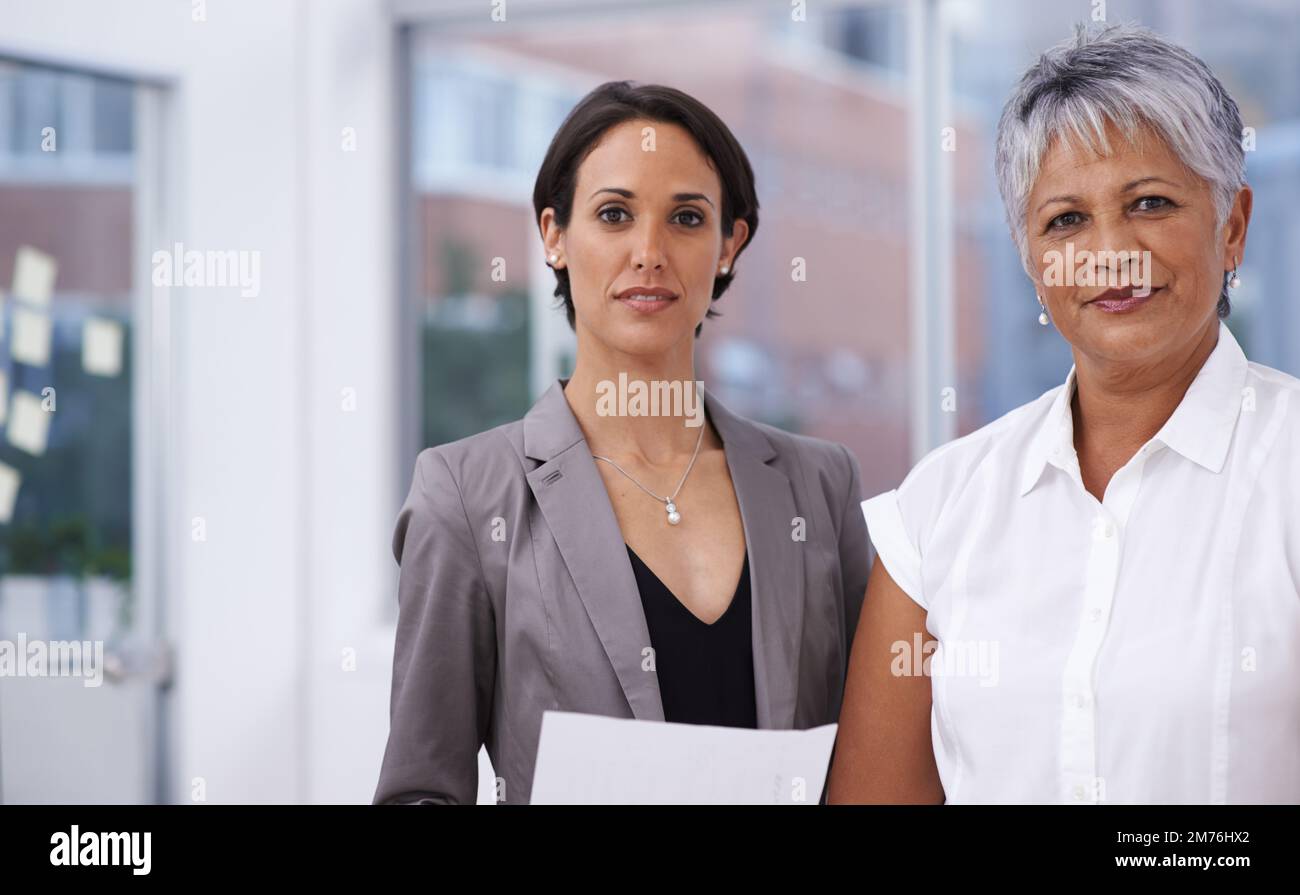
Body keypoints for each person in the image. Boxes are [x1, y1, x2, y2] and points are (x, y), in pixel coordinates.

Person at [829, 22, 1300, 804]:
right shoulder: (939, 508)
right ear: (1031, 258)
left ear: (1234, 227)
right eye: (1066, 220)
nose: (1109, 250)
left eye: (1150, 202)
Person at [375, 81, 870, 805]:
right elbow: (419, 791)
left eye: (687, 218)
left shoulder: (820, 486)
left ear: (730, 245)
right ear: (554, 236)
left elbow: (879, 763)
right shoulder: (465, 493)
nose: (649, 252)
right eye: (613, 215)